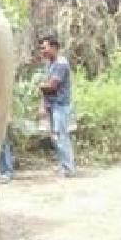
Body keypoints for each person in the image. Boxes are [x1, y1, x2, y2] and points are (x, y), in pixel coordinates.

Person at [37, 34, 76, 177]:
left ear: (54, 47)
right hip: (53, 106)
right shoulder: (51, 64)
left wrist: (40, 86)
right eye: (41, 48)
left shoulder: (60, 64)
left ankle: (68, 168)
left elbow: (52, 86)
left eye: (44, 48)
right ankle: (64, 166)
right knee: (57, 137)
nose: (42, 51)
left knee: (61, 136)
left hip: (60, 106)